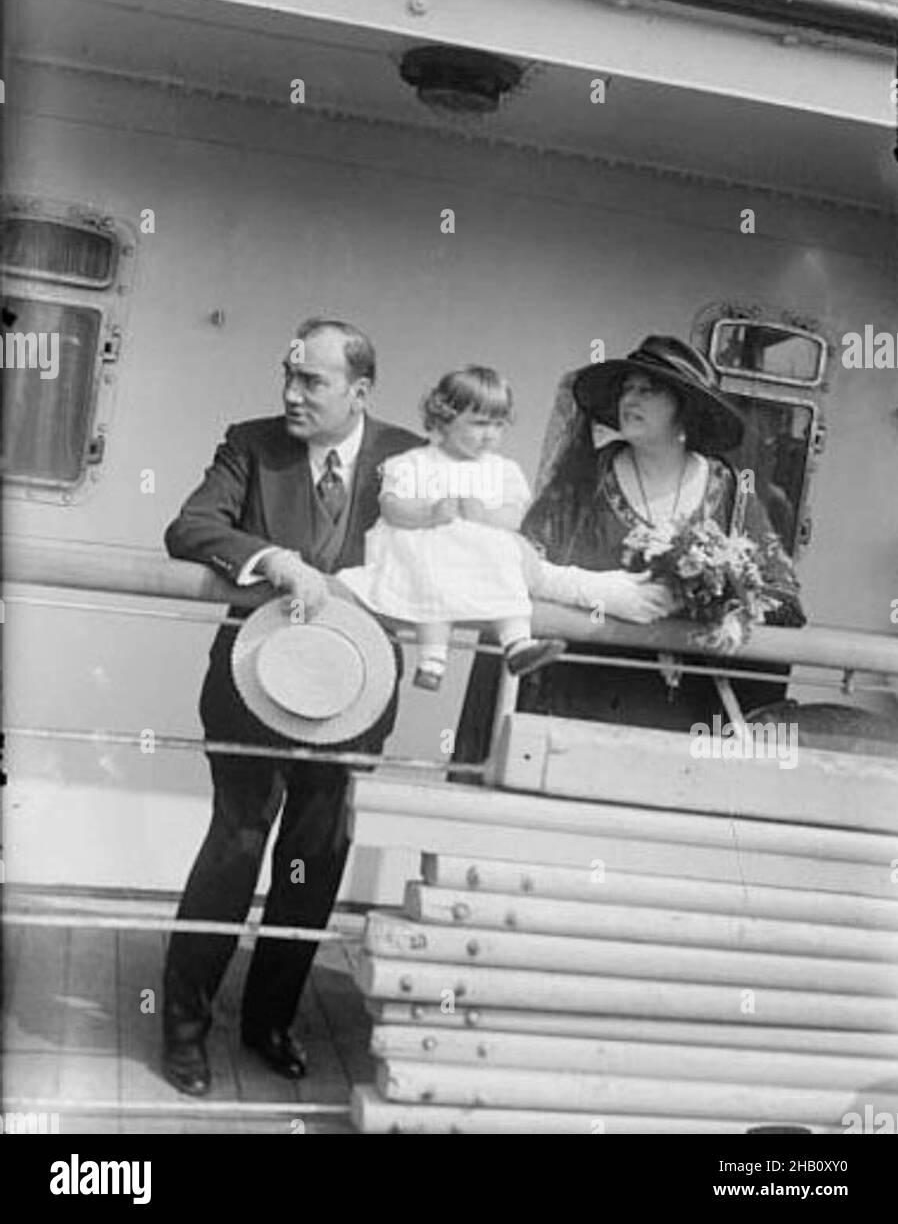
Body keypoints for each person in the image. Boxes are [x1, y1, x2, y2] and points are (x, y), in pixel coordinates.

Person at [161, 318, 423, 1096]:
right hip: (253, 689)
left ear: (359, 390)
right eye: (288, 375)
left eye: (312, 380)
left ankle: (269, 1022)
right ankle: (182, 1028)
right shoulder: (251, 443)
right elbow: (190, 526)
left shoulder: (411, 461)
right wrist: (272, 559)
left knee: (314, 867)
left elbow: (453, 557)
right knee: (234, 850)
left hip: (355, 695)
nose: (291, 393)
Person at [455, 334, 804, 762]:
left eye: (648, 390)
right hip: (579, 698)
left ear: (684, 408)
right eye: (627, 389)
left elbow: (781, 597)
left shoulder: (729, 491)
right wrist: (604, 593)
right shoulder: (583, 482)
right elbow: (519, 568)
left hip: (682, 715)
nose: (630, 399)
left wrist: (711, 598)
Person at [338, 367, 565, 690]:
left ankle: (516, 643)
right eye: (479, 423)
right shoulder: (414, 463)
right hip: (425, 550)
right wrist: (428, 513)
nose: (490, 435)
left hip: (480, 559)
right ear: (444, 418)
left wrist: (485, 514)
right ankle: (432, 658)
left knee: (505, 557)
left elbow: (514, 516)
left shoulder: (502, 471)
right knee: (430, 571)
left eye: (498, 425)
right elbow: (392, 506)